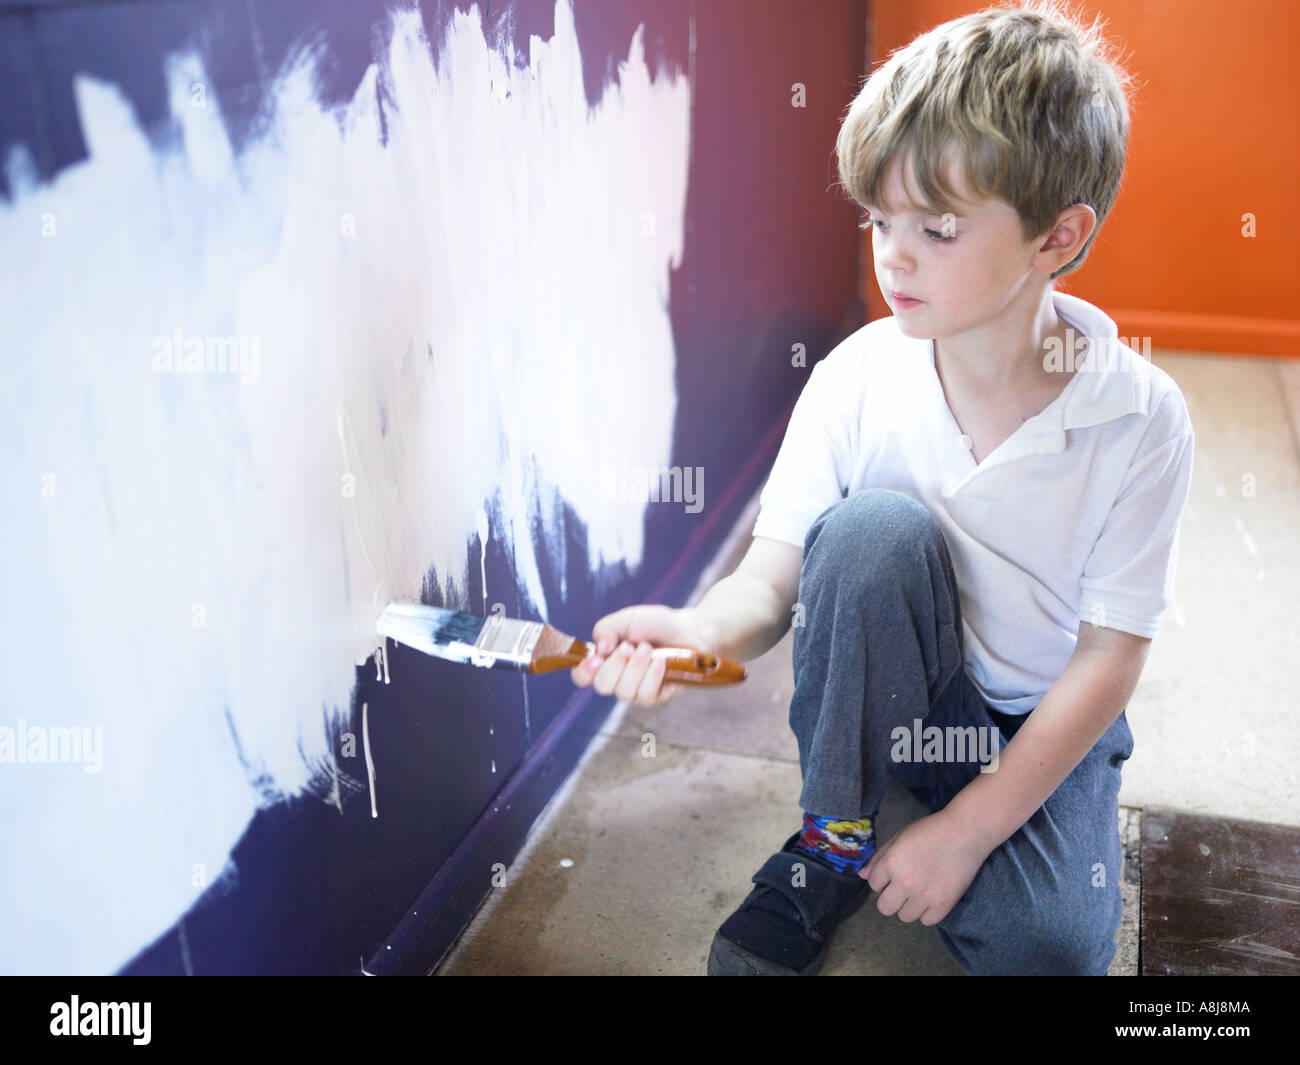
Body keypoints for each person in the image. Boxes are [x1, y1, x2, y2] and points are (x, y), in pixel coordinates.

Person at [571, 0, 1194, 976]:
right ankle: (833, 837)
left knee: (1047, 951)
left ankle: (915, 808)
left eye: (936, 228)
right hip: (898, 687)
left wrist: (977, 827)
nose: (892, 253)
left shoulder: (1140, 418)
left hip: (1038, 718)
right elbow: (771, 580)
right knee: (867, 533)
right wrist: (702, 628)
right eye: (878, 219)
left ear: (1055, 237)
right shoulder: (857, 376)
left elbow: (1108, 657)